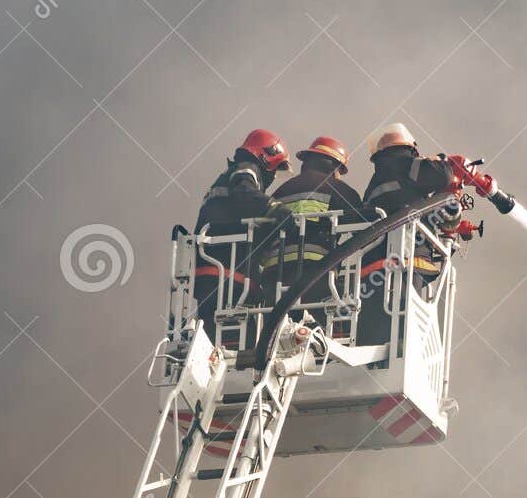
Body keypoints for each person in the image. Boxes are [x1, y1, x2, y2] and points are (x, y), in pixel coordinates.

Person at [357, 124, 459, 348]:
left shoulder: (374, 182)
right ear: (409, 146)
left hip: (375, 262)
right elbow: (442, 175)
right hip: (411, 257)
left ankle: (373, 362)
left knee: (377, 322)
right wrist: (440, 160)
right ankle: (402, 346)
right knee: (403, 319)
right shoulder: (408, 165)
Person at [192, 129, 290, 343]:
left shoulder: (226, 177)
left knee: (214, 339)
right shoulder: (246, 170)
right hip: (228, 273)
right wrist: (274, 208)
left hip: (212, 271)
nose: (274, 174)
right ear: (266, 156)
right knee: (241, 338)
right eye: (274, 167)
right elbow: (244, 196)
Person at [270, 137, 366, 336]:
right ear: (334, 165)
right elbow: (364, 228)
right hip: (314, 273)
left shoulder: (280, 191)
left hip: (274, 276)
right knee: (322, 328)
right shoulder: (340, 190)